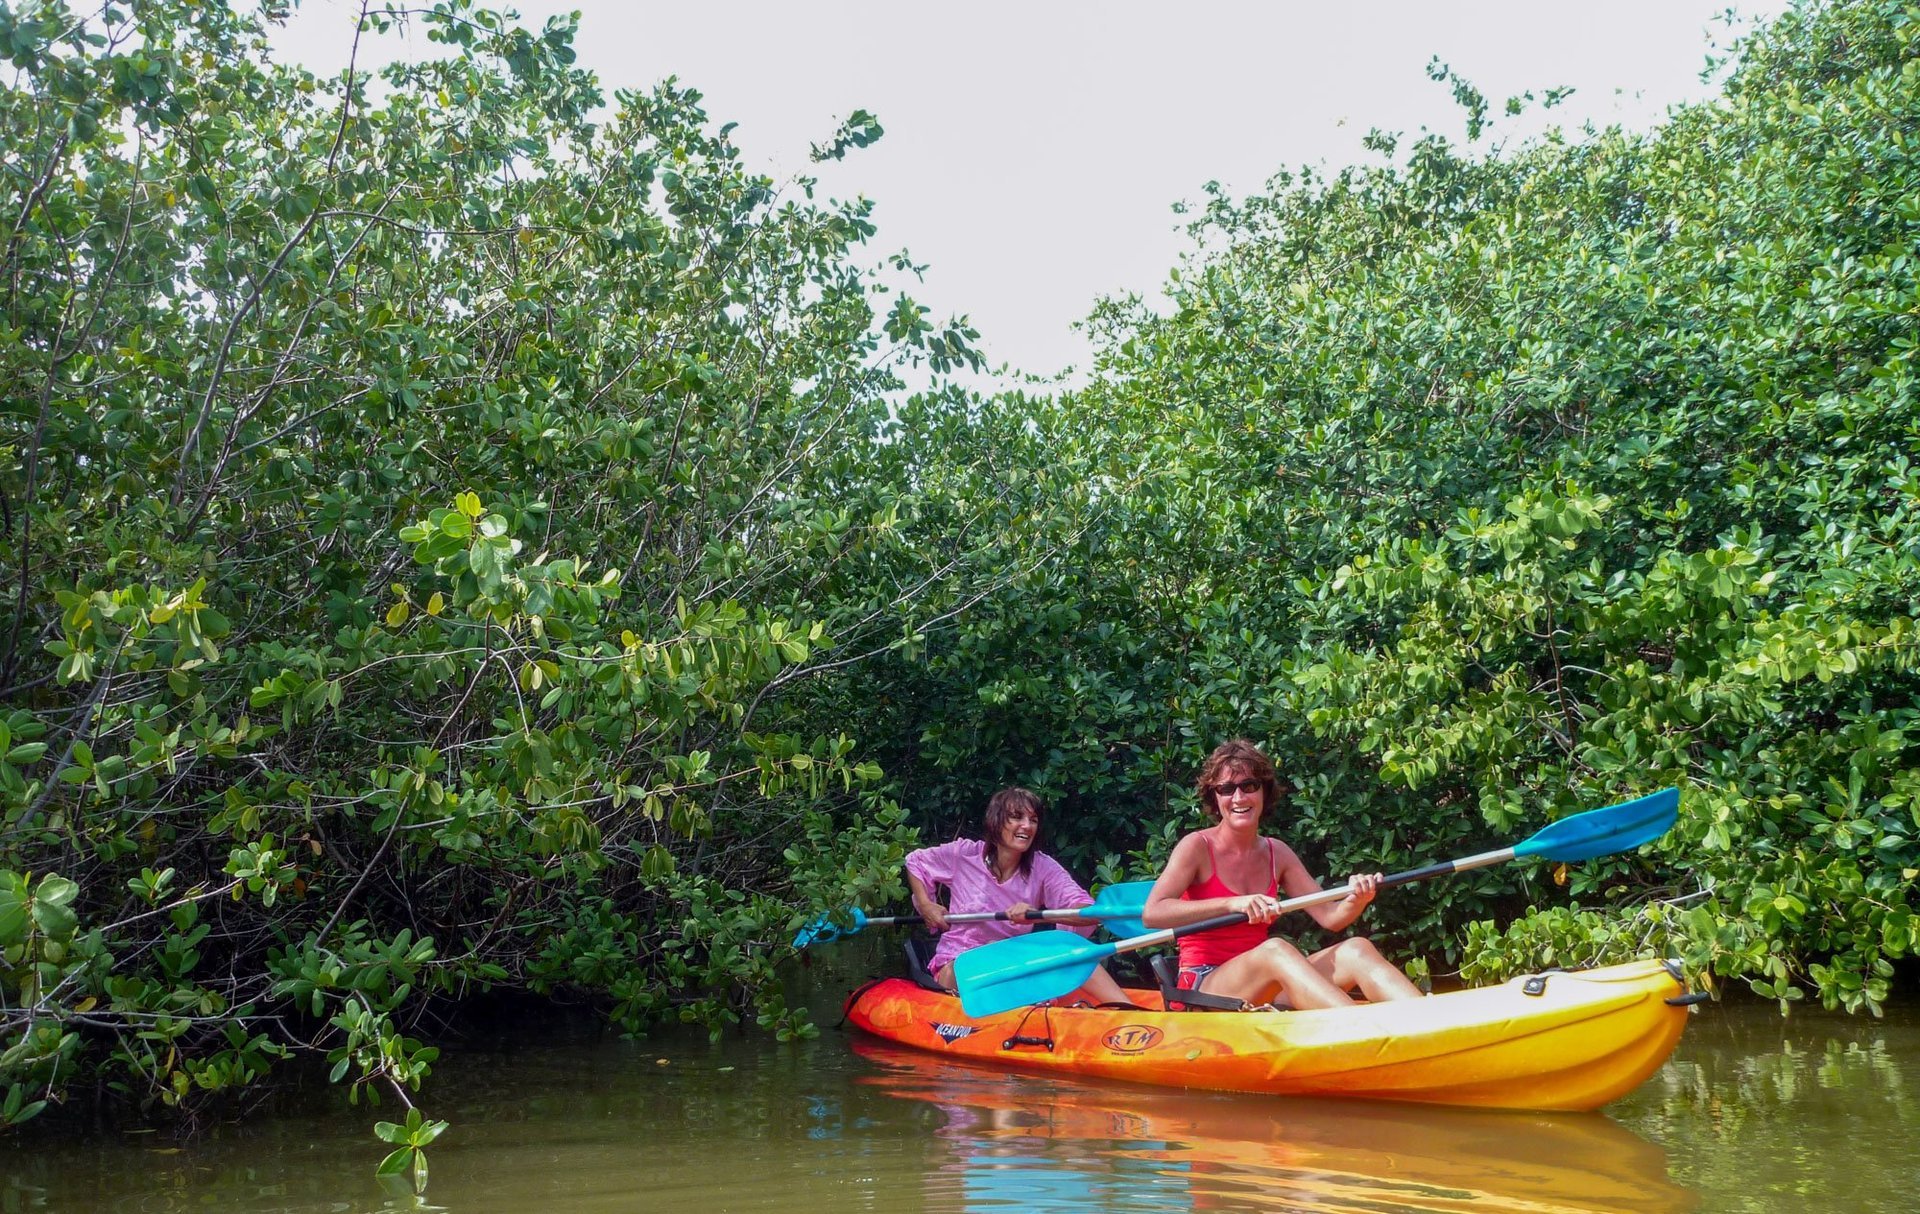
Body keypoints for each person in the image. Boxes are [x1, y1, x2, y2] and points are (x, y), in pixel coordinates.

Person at [1142, 739, 1424, 1010]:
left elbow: (1331, 917)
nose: (1238, 797)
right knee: (1275, 950)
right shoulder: (1196, 846)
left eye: (1248, 785)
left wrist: (1358, 899)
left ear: (1264, 791)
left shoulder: (1278, 852)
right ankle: (1367, 1034)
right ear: (1215, 799)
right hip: (1204, 985)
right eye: (1226, 789)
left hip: (1264, 982)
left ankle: (1432, 1024)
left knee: (1357, 949)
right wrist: (1232, 903)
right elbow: (1153, 913)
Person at [906, 787, 1135, 1007]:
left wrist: (1038, 917)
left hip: (1014, 961)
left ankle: (1132, 1014)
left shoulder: (1043, 867)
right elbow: (916, 862)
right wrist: (926, 905)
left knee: (1074, 952)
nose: (1027, 825)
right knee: (997, 950)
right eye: (1017, 817)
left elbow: (1087, 911)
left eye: (1033, 820)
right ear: (996, 821)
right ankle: (1039, 1001)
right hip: (959, 965)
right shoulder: (963, 854)